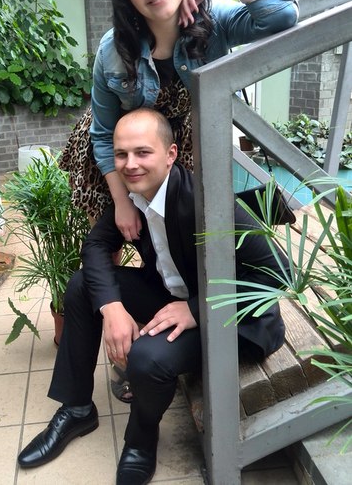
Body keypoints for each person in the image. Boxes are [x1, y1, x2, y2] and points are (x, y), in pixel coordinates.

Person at [18, 108, 289, 485]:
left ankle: (141, 441)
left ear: (170, 154)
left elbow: (279, 273)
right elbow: (95, 246)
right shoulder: (134, 196)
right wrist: (113, 308)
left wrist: (197, 309)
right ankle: (77, 408)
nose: (130, 164)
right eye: (121, 154)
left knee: (146, 357)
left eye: (142, 152)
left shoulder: (209, 201)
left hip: (234, 318)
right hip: (171, 295)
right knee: (83, 285)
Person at [60, 0, 299, 241]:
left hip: (178, 143)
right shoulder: (112, 50)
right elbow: (103, 135)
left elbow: (282, 15)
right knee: (113, 237)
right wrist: (122, 202)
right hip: (117, 151)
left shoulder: (214, 20)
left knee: (179, 239)